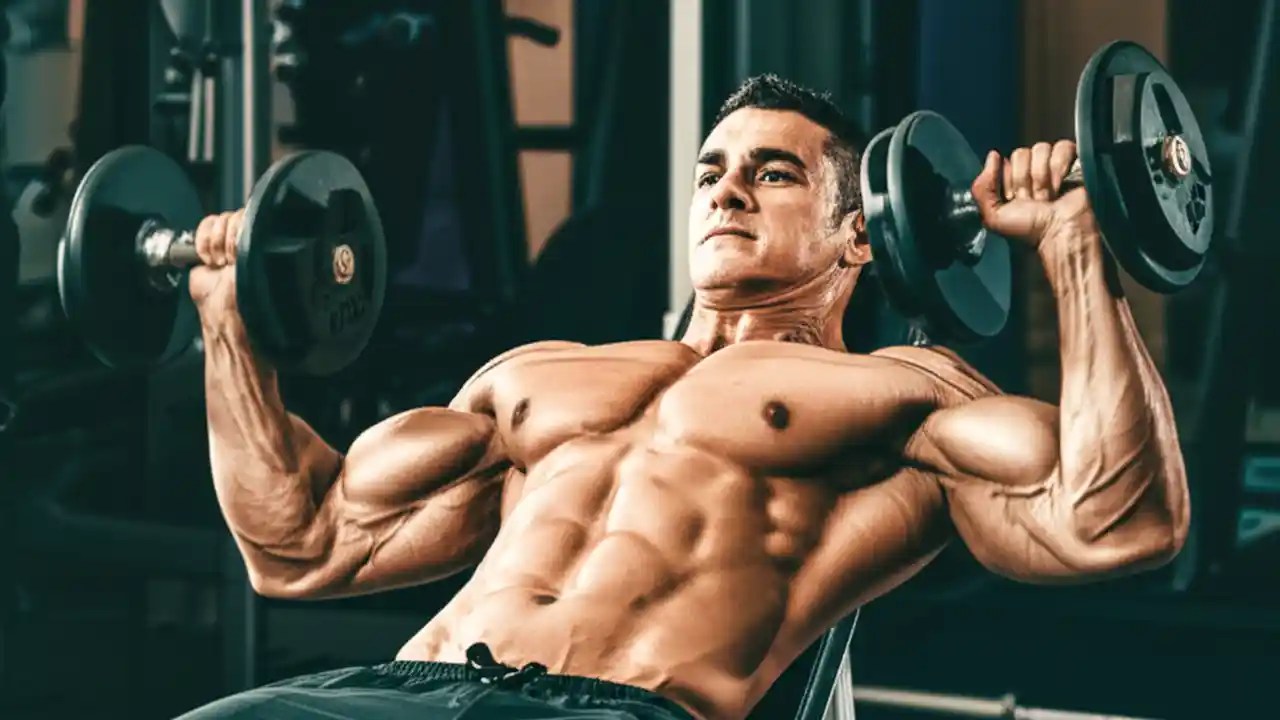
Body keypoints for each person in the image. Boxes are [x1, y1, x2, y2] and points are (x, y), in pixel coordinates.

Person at [178, 75, 1189, 720]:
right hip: (390, 694)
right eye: (710, 170)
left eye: (772, 172)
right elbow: (301, 542)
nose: (726, 189)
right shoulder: (534, 377)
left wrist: (1070, 247)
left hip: (610, 709)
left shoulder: (899, 393)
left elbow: (1115, 519)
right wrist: (225, 316)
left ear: (854, 235)